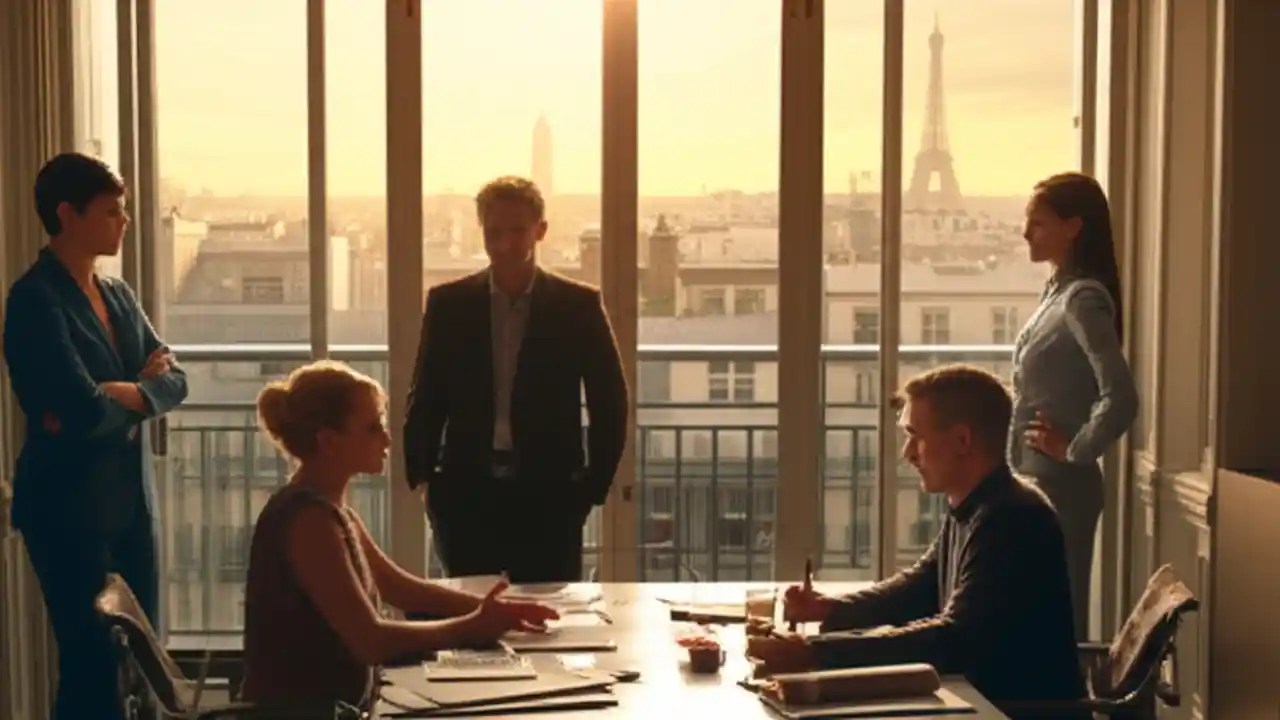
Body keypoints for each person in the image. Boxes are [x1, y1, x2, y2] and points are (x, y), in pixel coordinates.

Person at [748, 365, 1084, 715]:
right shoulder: (980, 504)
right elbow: (919, 587)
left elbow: (953, 639)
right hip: (972, 701)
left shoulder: (1013, 519)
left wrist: (817, 651)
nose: (908, 453)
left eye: (915, 436)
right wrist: (831, 609)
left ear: (962, 441)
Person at [241, 360, 560, 711]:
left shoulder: (331, 509)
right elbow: (371, 640)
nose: (387, 439)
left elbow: (400, 589)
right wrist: (471, 626)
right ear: (329, 441)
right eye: (372, 427)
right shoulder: (309, 521)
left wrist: (501, 613)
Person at [2, 152, 189, 720]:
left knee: (142, 661)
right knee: (91, 664)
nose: (125, 221)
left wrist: (123, 391)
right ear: (67, 215)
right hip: (67, 511)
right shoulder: (35, 300)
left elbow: (175, 380)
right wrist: (139, 391)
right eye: (112, 211)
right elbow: (75, 410)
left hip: (133, 505)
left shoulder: (120, 295)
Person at [403, 175, 628, 583]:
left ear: (541, 230)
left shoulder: (578, 305)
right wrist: (424, 479)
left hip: (549, 495)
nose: (505, 244)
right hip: (466, 493)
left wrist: (590, 489)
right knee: (472, 620)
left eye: (517, 231)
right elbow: (427, 393)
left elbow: (609, 401)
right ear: (481, 232)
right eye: (494, 232)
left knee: (549, 621)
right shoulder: (449, 304)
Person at [1012, 172, 1137, 638]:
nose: (1026, 233)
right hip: (1039, 484)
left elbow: (1121, 396)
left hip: (1063, 489)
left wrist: (1074, 450)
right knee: (1038, 619)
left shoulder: (1082, 299)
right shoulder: (1058, 292)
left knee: (1057, 622)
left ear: (1073, 227)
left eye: (1038, 223)